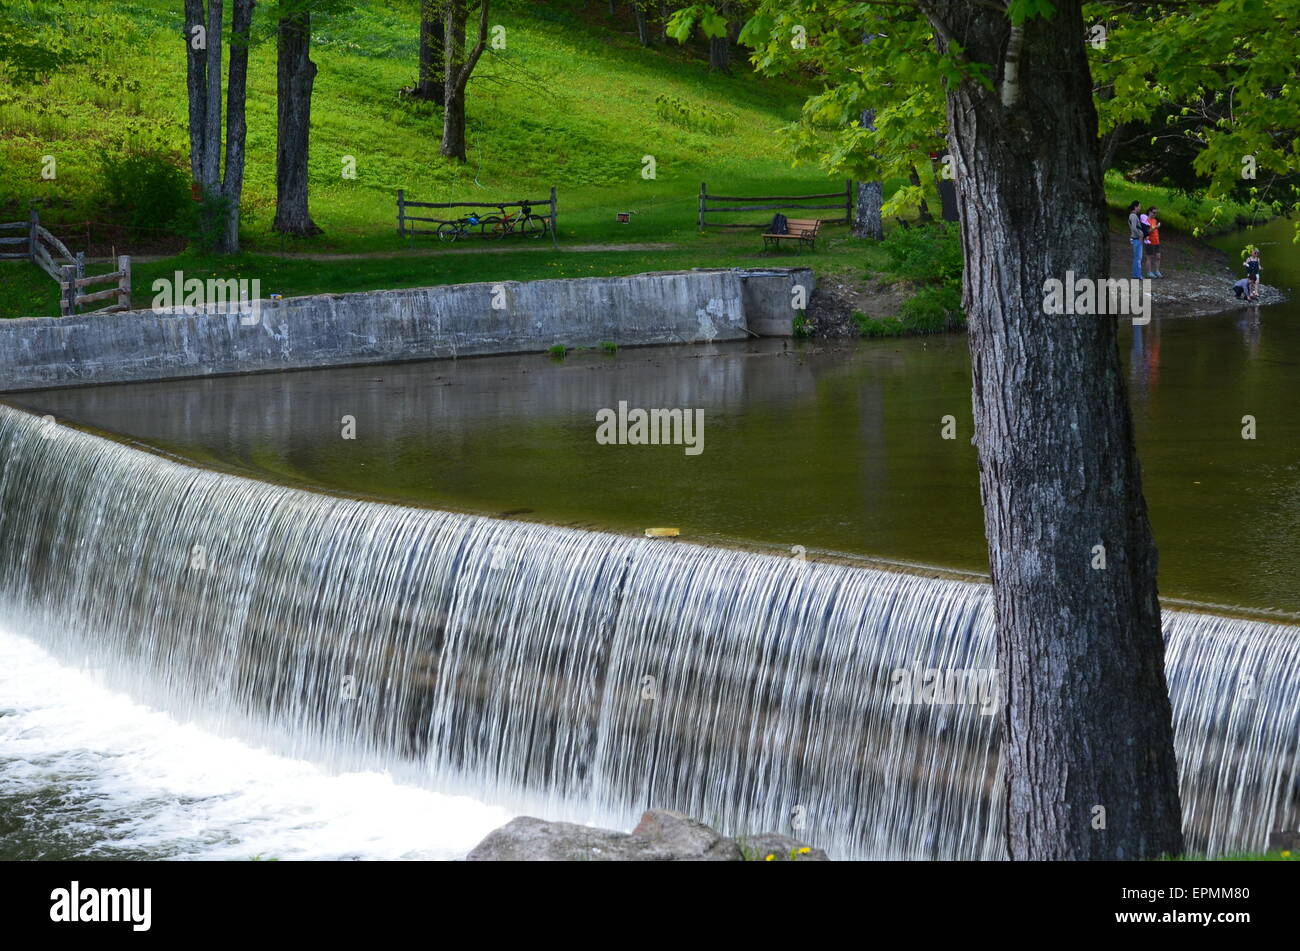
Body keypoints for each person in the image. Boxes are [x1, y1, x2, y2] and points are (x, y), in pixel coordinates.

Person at [1127, 200, 1145, 280]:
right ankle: (1137, 275)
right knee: (1138, 258)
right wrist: (1139, 235)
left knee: (1138, 257)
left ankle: (1137, 274)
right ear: (1135, 207)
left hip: (1137, 239)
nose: (1140, 208)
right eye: (1139, 206)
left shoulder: (1133, 216)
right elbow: (1134, 227)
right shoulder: (1133, 216)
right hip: (1137, 239)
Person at [1143, 206, 1162, 278]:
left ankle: (1157, 271)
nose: (1155, 214)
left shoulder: (1154, 220)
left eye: (1156, 213)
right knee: (1149, 257)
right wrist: (1156, 227)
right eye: (1154, 212)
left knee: (1158, 257)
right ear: (1149, 212)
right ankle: (1149, 272)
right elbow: (1147, 231)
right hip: (1149, 241)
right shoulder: (1146, 220)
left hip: (1157, 241)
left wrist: (1156, 227)